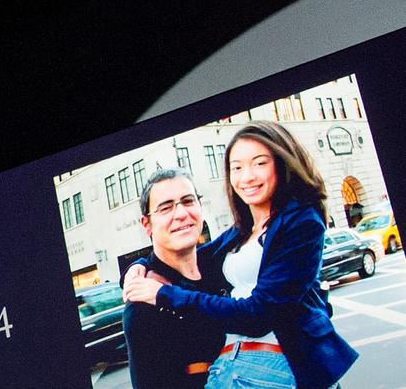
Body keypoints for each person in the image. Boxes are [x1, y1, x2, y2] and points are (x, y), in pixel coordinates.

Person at [123, 121, 357, 389]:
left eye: (259, 163)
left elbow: (258, 314)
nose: (247, 176)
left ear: (281, 163)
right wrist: (138, 266)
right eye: (237, 167)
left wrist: (163, 293)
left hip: (284, 366)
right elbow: (197, 254)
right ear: (147, 225)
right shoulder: (242, 230)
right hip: (244, 368)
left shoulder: (299, 222)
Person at [122, 168, 227, 389]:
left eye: (188, 201)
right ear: (147, 224)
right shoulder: (144, 305)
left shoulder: (223, 267)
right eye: (166, 207)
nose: (180, 214)